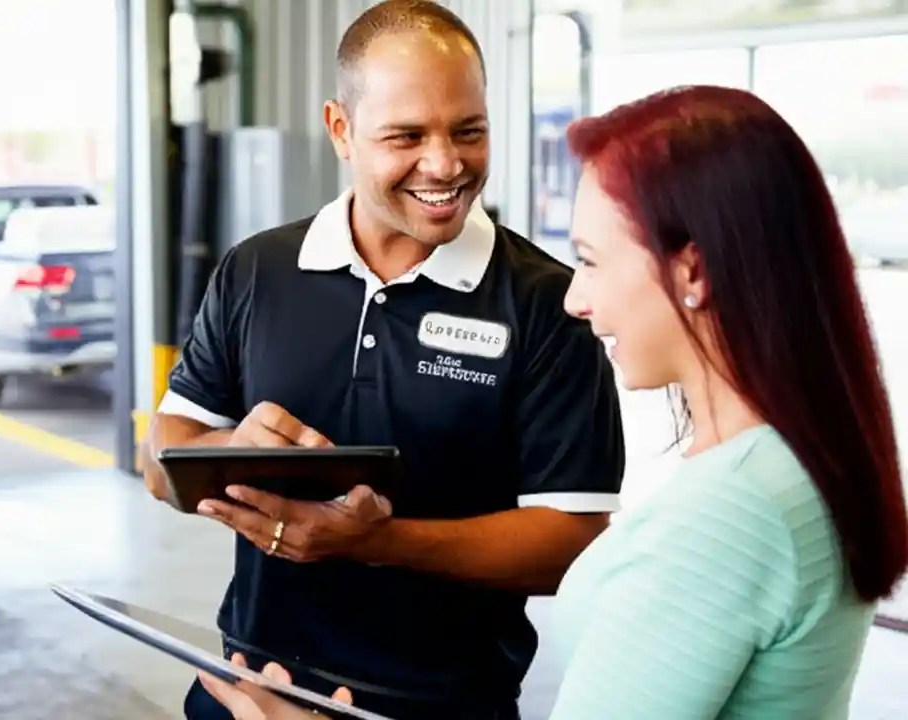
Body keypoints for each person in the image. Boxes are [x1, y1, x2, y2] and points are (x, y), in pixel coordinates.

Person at [195, 83, 908, 719]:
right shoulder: (791, 463)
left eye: (592, 261)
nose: (575, 296)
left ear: (691, 270)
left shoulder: (721, 523)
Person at [139, 1, 626, 718]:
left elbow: (572, 540)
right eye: (406, 136)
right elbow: (162, 464)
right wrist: (230, 450)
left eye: (469, 131)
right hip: (247, 690)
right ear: (342, 129)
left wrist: (377, 542)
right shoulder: (257, 272)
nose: (445, 164)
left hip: (439, 703)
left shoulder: (547, 305)